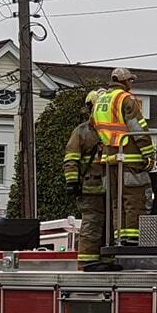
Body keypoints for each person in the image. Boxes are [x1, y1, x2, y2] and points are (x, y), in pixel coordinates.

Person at [89, 67, 150, 252]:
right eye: (130, 81)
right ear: (124, 81)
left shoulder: (100, 101)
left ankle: (120, 237)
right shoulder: (125, 99)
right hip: (129, 157)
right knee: (134, 199)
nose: (131, 84)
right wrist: (148, 154)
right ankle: (132, 239)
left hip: (109, 159)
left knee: (117, 201)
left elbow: (96, 127)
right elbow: (137, 129)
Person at [62, 104, 109, 271]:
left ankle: (107, 260)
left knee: (109, 226)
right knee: (92, 223)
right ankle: (87, 262)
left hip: (110, 190)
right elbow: (71, 159)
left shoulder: (112, 129)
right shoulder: (81, 132)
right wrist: (72, 182)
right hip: (89, 188)